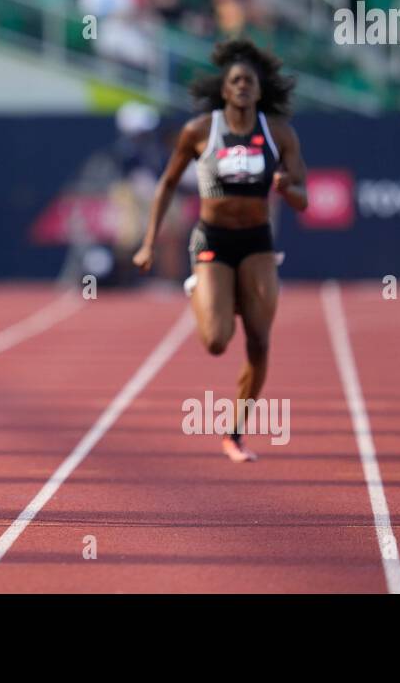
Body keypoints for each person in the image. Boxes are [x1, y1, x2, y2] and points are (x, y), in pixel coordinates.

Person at [132, 40, 308, 462]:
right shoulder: (199, 131)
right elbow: (168, 184)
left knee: (260, 342)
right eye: (236, 81)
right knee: (215, 341)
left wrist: (288, 188)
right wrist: (149, 241)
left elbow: (303, 198)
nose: (243, 86)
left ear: (260, 90)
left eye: (250, 80)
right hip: (213, 239)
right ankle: (208, 289)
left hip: (257, 243)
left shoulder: (278, 132)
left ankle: (235, 431)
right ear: (225, 89)